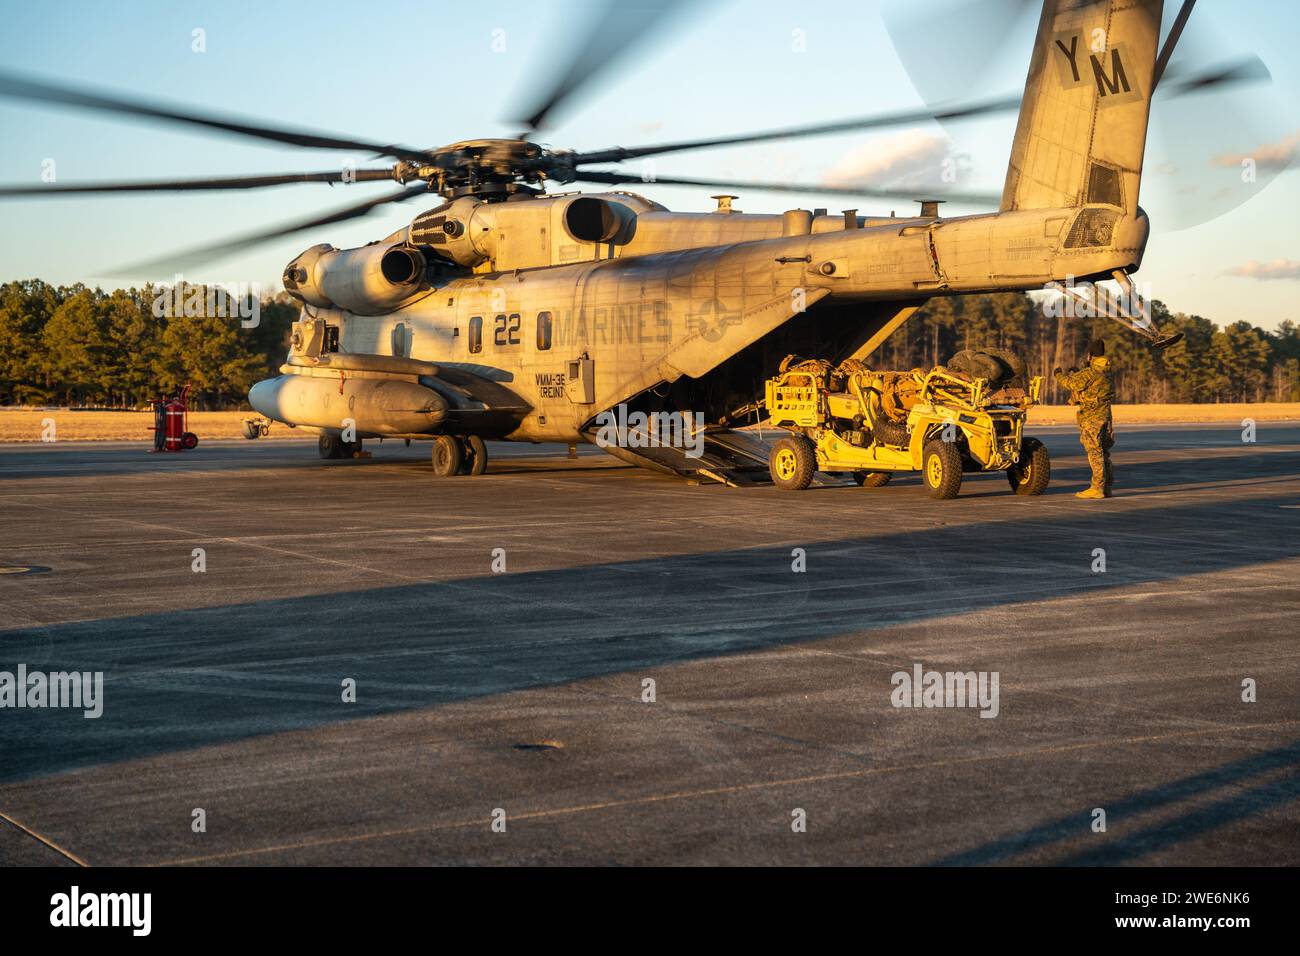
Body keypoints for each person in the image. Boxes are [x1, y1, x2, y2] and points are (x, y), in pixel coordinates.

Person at [1055, 340, 1114, 499]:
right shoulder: (1106, 371)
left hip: (1092, 418)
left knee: (1095, 453)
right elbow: (1092, 385)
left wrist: (1059, 374)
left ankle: (1097, 488)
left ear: (1091, 355)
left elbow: (1071, 383)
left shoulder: (1090, 373)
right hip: (1106, 417)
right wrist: (1080, 371)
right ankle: (1106, 487)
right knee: (1103, 452)